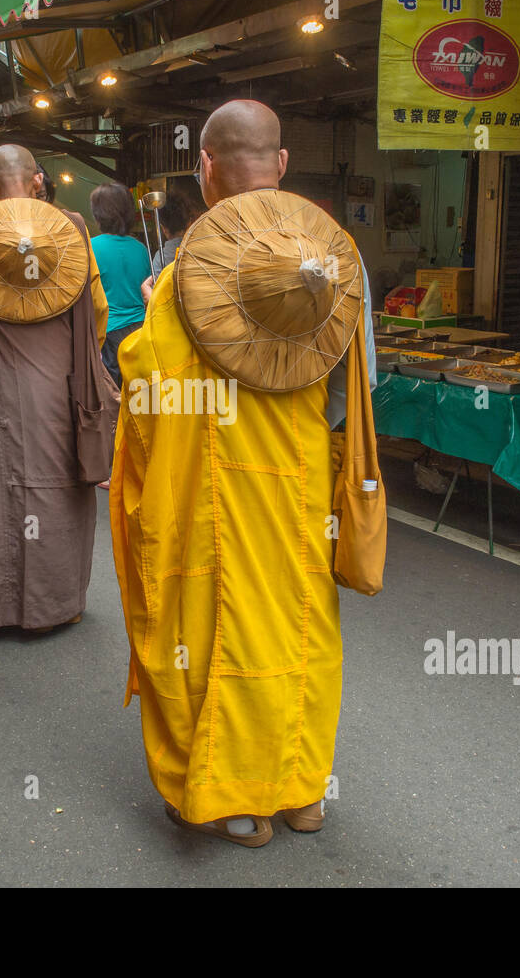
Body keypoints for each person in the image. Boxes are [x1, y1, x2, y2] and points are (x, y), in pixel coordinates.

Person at [110, 99, 377, 848]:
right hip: (297, 481)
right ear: (283, 162)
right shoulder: (333, 257)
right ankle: (302, 792)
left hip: (205, 480)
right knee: (301, 628)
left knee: (203, 623)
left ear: (204, 167)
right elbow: (353, 388)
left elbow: (152, 383)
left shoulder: (178, 262)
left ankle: (235, 800)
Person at [0, 143, 112, 636]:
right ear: (39, 179)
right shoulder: (71, 228)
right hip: (56, 382)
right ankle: (60, 604)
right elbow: (94, 310)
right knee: (57, 487)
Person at [89, 183, 151, 388]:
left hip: (108, 333)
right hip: (140, 330)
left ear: (98, 216)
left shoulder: (91, 247)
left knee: (112, 394)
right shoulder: (141, 248)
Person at [141, 189, 198, 306]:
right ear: (189, 223)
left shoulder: (160, 257)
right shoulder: (199, 250)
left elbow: (155, 291)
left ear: (163, 229)